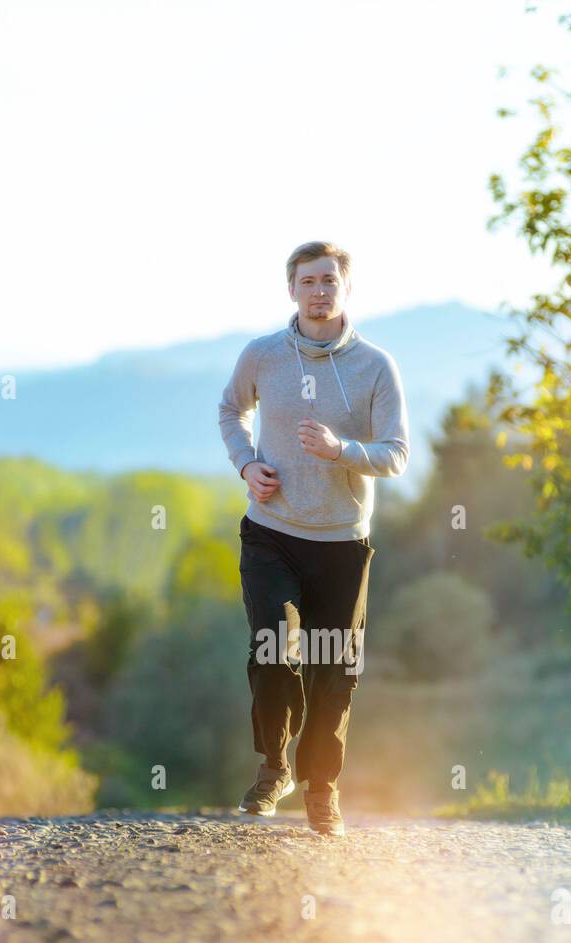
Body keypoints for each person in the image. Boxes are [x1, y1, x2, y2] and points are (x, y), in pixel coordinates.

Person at [218, 240, 409, 836]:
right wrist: (246, 465)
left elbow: (396, 454)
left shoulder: (375, 366)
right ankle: (274, 766)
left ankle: (321, 789)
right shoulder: (264, 355)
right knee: (273, 645)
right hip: (272, 532)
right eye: (309, 281)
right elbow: (230, 410)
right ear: (292, 290)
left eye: (329, 280)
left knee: (337, 667)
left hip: (343, 541)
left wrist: (340, 451)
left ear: (344, 288)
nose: (320, 290)